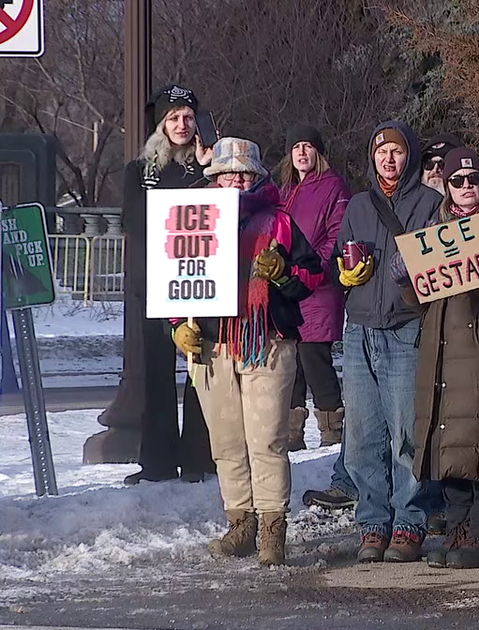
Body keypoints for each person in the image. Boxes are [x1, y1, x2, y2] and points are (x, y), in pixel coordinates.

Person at [174, 137, 323, 566]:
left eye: (244, 173)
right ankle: (240, 525)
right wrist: (176, 327)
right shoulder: (190, 221)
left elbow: (313, 278)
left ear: (256, 178)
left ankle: (273, 531)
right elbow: (171, 280)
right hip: (211, 343)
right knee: (225, 444)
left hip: (267, 342)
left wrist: (283, 273)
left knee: (267, 441)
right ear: (214, 178)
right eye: (228, 173)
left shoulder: (280, 221)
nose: (237, 180)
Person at [392, 147, 479, 570]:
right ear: (446, 186)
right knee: (451, 440)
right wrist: (406, 278)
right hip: (441, 347)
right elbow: (420, 299)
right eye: (457, 182)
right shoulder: (437, 226)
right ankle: (459, 527)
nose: (467, 188)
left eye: (474, 180)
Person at [337, 121, 444, 563]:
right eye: (382, 152)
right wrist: (344, 271)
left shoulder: (430, 203)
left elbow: (442, 261)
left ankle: (409, 522)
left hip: (405, 327)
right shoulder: (358, 205)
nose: (389, 158)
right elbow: (338, 254)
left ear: (409, 157)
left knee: (406, 433)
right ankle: (373, 524)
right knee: (362, 436)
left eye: (397, 152)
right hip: (359, 328)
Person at [113, 84, 217, 486]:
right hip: (155, 282)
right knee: (157, 371)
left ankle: (197, 457)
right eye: (173, 117)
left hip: (201, 281)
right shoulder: (139, 171)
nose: (181, 124)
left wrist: (210, 169)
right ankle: (156, 461)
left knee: (198, 369)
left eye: (188, 117)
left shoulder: (207, 168)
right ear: (160, 124)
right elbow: (134, 225)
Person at [278, 125, 352, 452]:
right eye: (296, 147)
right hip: (287, 290)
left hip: (317, 289)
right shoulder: (286, 190)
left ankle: (332, 432)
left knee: (315, 360)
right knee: (291, 365)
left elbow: (337, 234)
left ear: (319, 152)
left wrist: (312, 269)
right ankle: (292, 434)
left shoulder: (333, 186)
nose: (302, 153)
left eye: (308, 147)